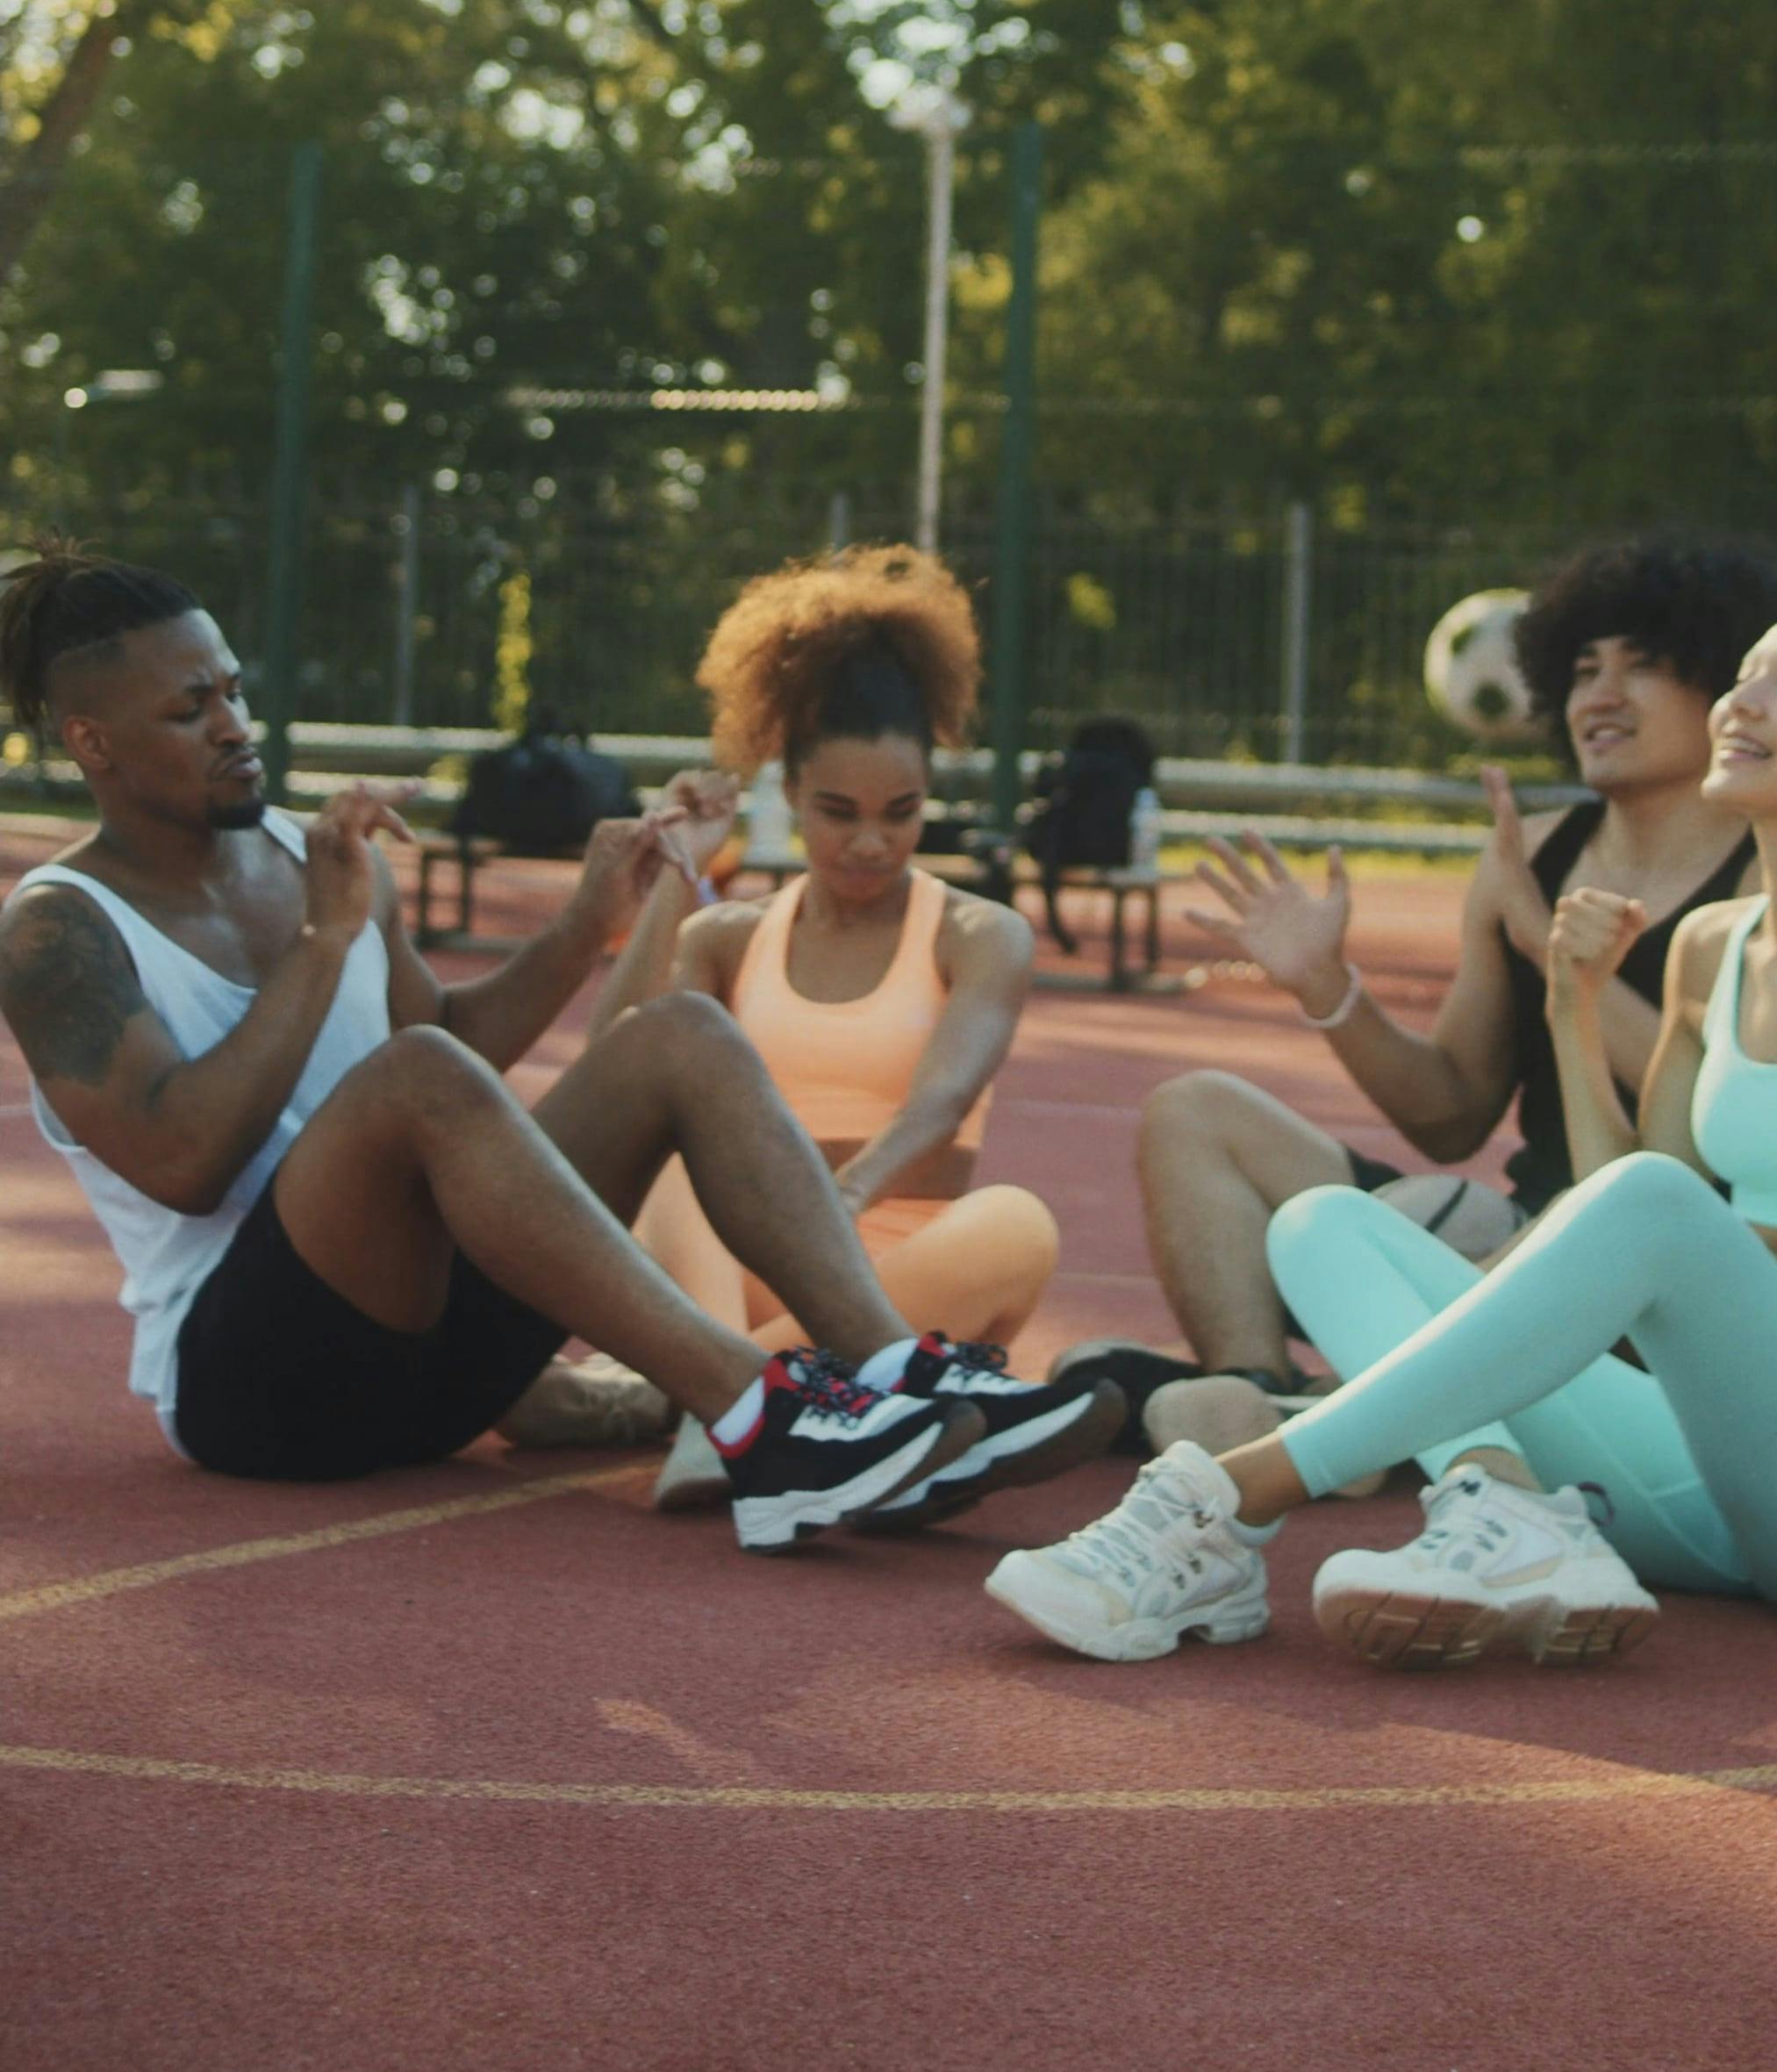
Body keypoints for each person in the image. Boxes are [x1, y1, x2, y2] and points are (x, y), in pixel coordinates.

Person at [0, 542, 1115, 1552]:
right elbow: (184, 1160)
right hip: (266, 1396)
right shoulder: (60, 932)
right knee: (421, 1082)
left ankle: (893, 1378)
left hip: (442, 1371)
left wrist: (588, 926)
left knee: (678, 1032)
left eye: (234, 689)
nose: (236, 725)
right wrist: (323, 941)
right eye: (191, 709)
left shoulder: (314, 858)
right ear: (92, 740)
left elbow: (442, 1042)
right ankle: (764, 1415)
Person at [986, 609, 1777, 1671]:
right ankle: (1510, 1511)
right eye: (1747, 677)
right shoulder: (1715, 950)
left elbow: (1666, 1224)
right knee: (1323, 1225)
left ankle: (1232, 1495)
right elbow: (1632, 1211)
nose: (1748, 707)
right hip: (1712, 1484)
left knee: (1654, 1205)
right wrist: (1571, 1005)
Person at [1054, 534, 1775, 1449]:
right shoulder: (1533, 851)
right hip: (1512, 1227)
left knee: (1568, 1221)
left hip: (1656, 1256)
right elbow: (1451, 1115)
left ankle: (1340, 1417)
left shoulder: (1759, 875)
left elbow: (1713, 1117)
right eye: (1583, 669)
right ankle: (1254, 1391)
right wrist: (1328, 988)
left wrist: (1548, 954)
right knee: (1193, 1112)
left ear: (1719, 687)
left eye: (1642, 668)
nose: (1600, 696)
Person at [621, 543, 1118, 1521]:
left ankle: (717, 1401)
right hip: (732, 1269)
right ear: (789, 796)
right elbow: (622, 1069)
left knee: (1019, 1223)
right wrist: (674, 878)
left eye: (902, 813)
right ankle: (756, 1395)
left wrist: (837, 1203)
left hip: (894, 1276)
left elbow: (941, 1104)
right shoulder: (727, 935)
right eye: (837, 812)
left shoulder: (982, 935)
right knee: (675, 1151)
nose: (870, 842)